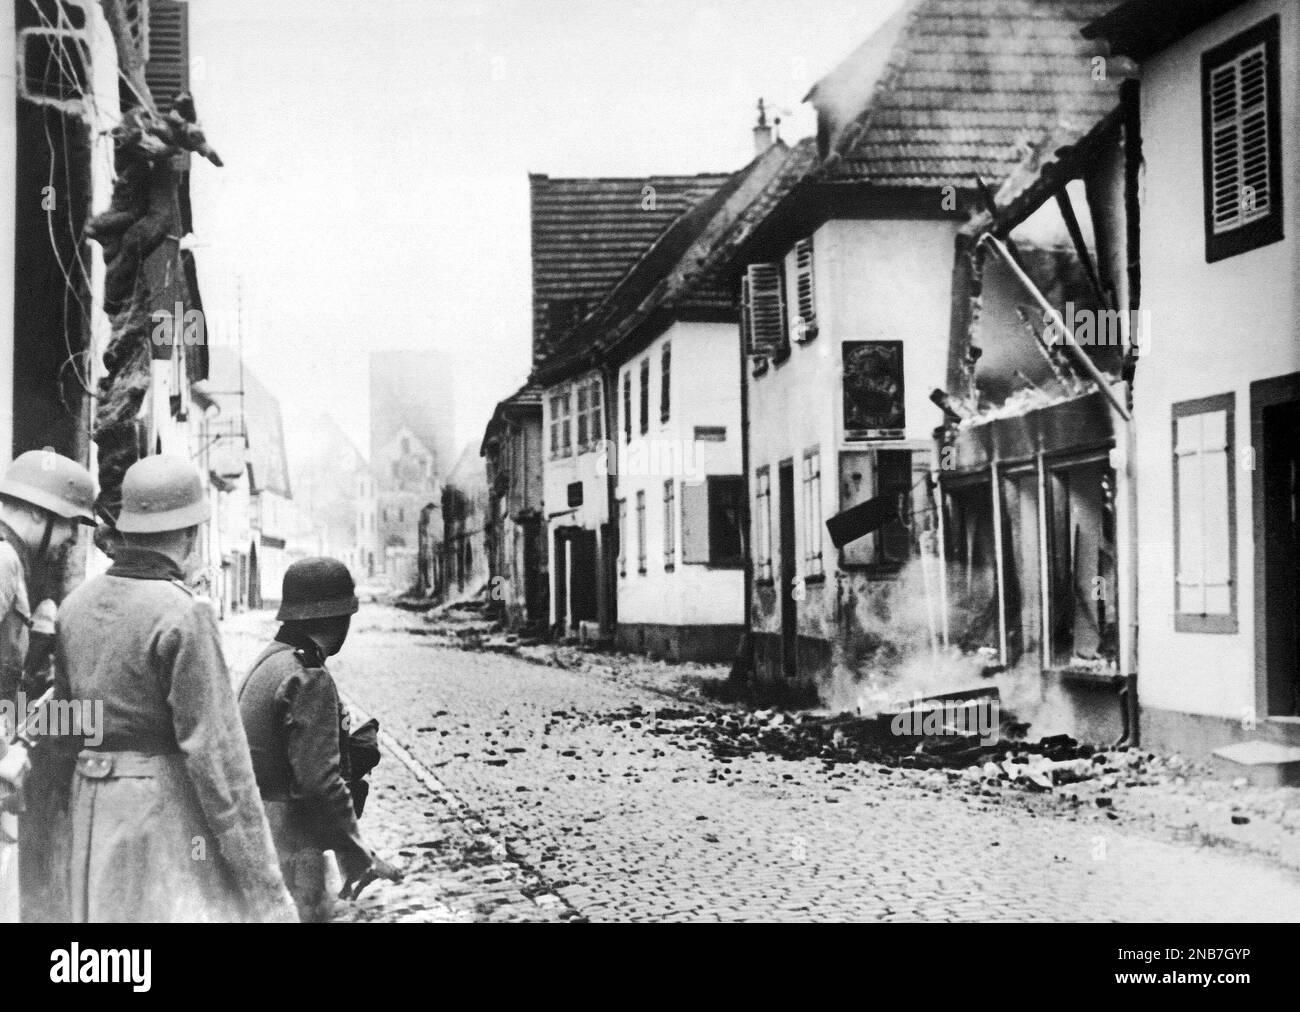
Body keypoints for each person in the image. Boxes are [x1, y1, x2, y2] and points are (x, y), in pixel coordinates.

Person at [56, 454, 296, 922]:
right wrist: (268, 895)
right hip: (161, 813)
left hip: (90, 807)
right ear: (190, 535)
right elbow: (220, 761)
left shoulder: (74, 607)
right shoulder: (185, 614)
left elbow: (62, 728)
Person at [239, 557, 401, 922]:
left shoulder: (271, 660)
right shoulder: (308, 676)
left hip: (259, 833)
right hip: (291, 846)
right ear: (337, 618)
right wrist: (360, 856)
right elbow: (318, 782)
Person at [0, 449, 96, 924]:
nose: (72, 541)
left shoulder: (13, 562)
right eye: (70, 526)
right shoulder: (1, 562)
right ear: (39, 513)